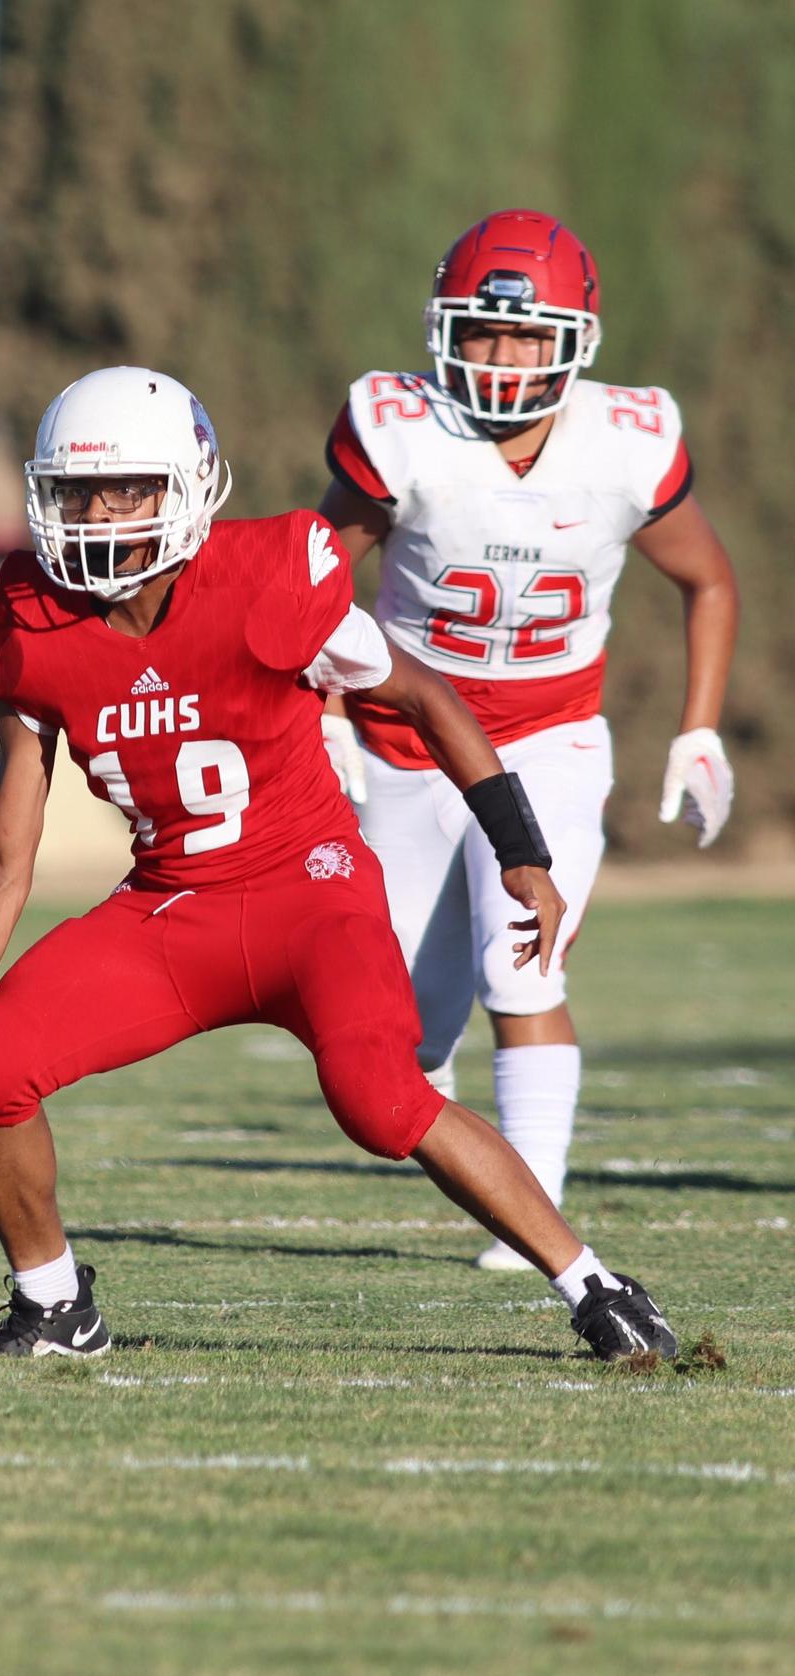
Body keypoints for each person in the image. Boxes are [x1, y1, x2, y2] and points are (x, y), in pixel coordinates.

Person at [0, 365, 677, 1364]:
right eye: (76, 492)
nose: (93, 515)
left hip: (312, 892)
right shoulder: (34, 617)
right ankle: (53, 1305)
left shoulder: (268, 574)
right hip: (172, 908)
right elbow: (3, 859)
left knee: (380, 1099)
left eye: (124, 489)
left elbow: (426, 696)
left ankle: (593, 1281)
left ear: (186, 488)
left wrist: (520, 849)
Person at [318, 209, 739, 1268]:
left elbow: (706, 577)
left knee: (525, 972)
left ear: (576, 340)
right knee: (398, 1039)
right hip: (401, 738)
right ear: (443, 330)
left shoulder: (626, 441)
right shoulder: (399, 426)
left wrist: (696, 728)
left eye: (525, 335)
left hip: (544, 739)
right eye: (482, 333)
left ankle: (534, 1212)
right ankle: (454, 1096)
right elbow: (312, 580)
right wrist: (317, 711)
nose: (502, 359)